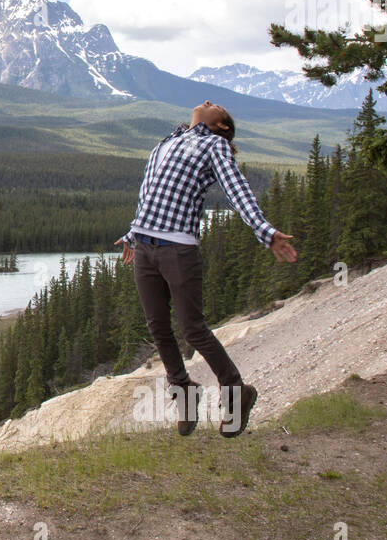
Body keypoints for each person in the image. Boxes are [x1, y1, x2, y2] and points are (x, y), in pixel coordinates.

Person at [116, 100, 298, 438]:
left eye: (216, 106)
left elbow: (237, 191)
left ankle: (236, 390)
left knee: (193, 329)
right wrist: (132, 233)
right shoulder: (167, 141)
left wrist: (266, 232)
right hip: (144, 247)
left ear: (222, 126)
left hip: (178, 250)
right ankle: (184, 392)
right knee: (158, 327)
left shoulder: (214, 146)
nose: (207, 102)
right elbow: (150, 193)